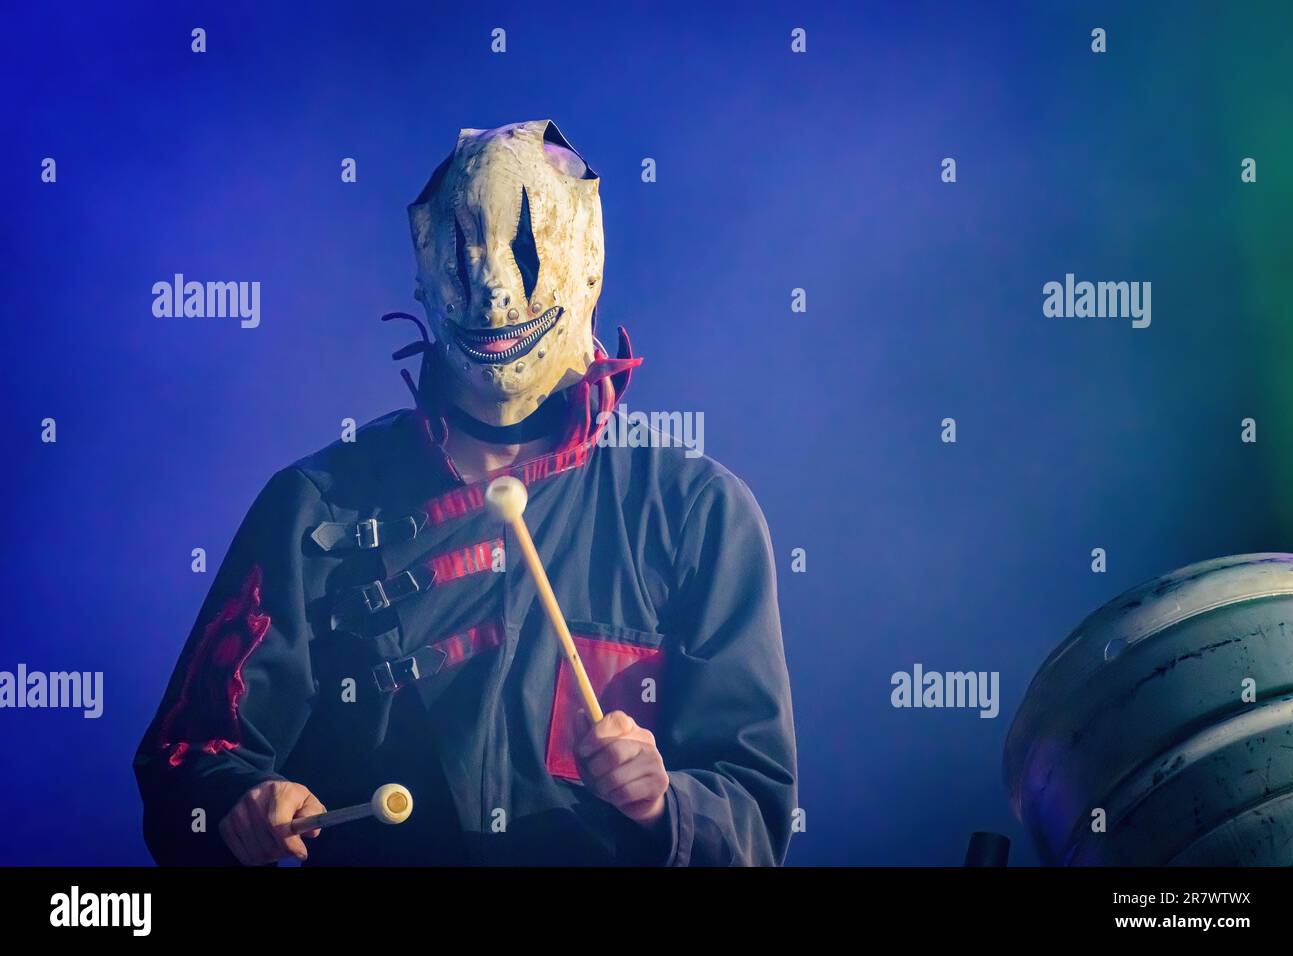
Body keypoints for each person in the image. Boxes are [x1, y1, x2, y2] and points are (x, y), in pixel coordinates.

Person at [133, 119, 797, 866]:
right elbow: (185, 764)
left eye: (523, 246)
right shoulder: (315, 505)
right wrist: (237, 804)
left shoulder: (696, 516)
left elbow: (755, 817)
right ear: (424, 269)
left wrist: (664, 805)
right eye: (460, 251)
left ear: (586, 259)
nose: (490, 289)